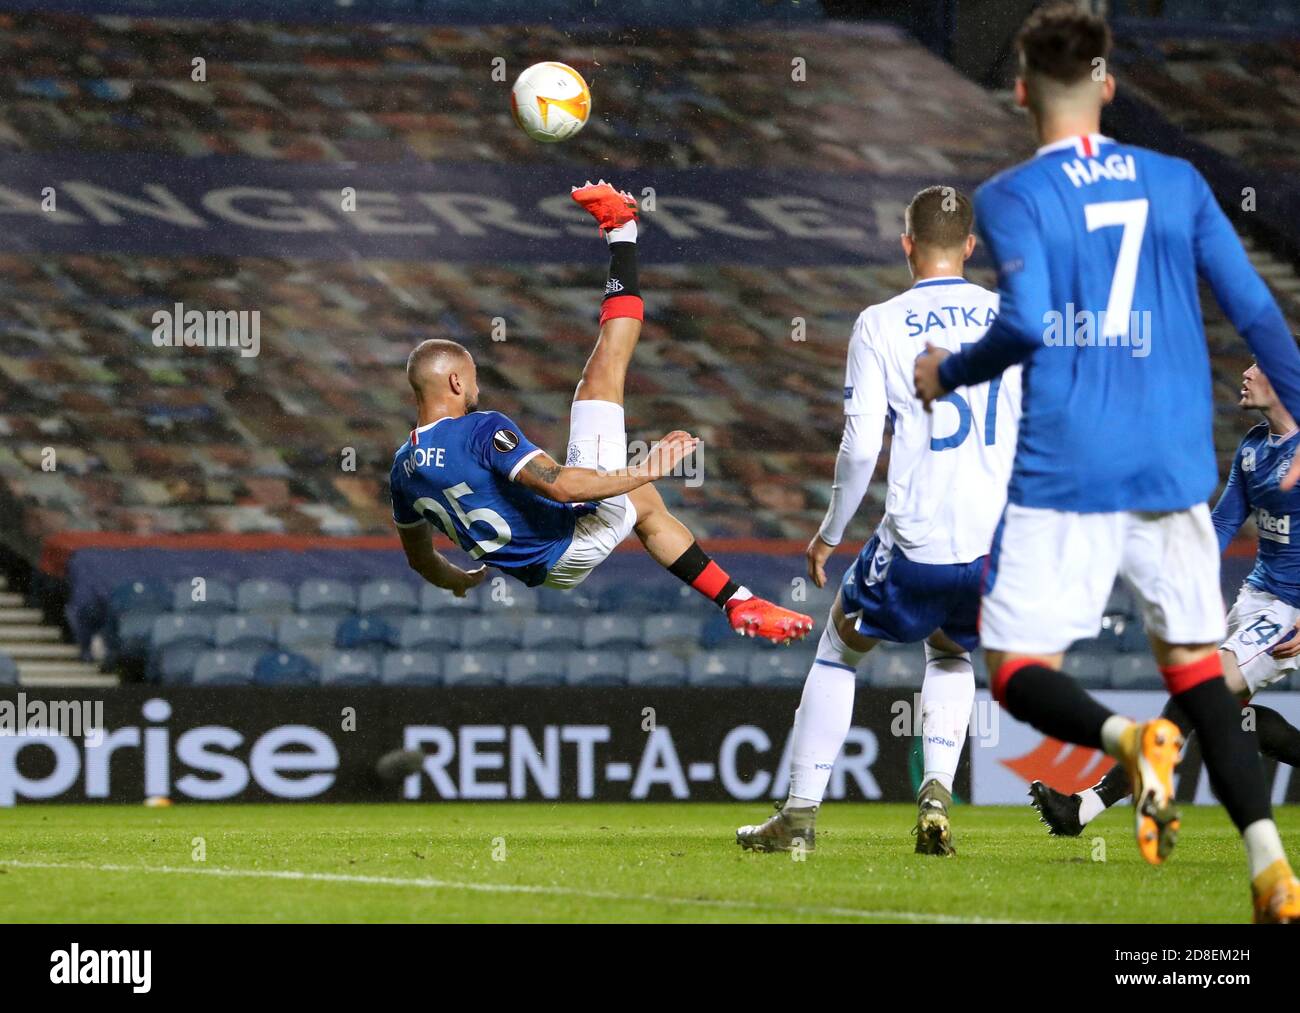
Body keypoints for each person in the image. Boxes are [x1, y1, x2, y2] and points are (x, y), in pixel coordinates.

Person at [913, 4, 1300, 921]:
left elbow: (1027, 324)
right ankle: (1271, 868)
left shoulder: (1008, 197)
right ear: (1109, 86)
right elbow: (1259, 315)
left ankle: (1128, 741)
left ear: (1019, 92)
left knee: (1010, 663)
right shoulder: (1177, 181)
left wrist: (947, 372)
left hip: (1068, 464)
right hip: (1170, 460)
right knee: (1199, 674)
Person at [390, 180, 813, 643]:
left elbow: (420, 558)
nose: (477, 386)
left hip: (544, 563)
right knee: (634, 468)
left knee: (601, 388)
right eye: (472, 378)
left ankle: (738, 602)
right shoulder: (480, 428)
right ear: (455, 382)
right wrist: (647, 468)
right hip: (568, 542)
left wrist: (456, 579)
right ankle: (623, 230)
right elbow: (565, 487)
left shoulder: (402, 470)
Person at [736, 185, 1020, 856]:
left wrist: (831, 530)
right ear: (971, 246)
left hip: (918, 534)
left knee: (839, 649)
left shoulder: (880, 322)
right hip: (993, 542)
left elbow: (862, 444)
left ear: (906, 244)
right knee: (951, 652)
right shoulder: (1011, 315)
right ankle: (936, 798)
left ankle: (799, 815)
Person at [1032, 360, 1300, 835]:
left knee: (1200, 689)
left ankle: (1085, 806)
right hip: (1255, 596)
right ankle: (1084, 808)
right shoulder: (1254, 447)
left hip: (1289, 609)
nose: (1245, 372)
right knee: (1224, 718)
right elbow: (1222, 523)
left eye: (1258, 365)